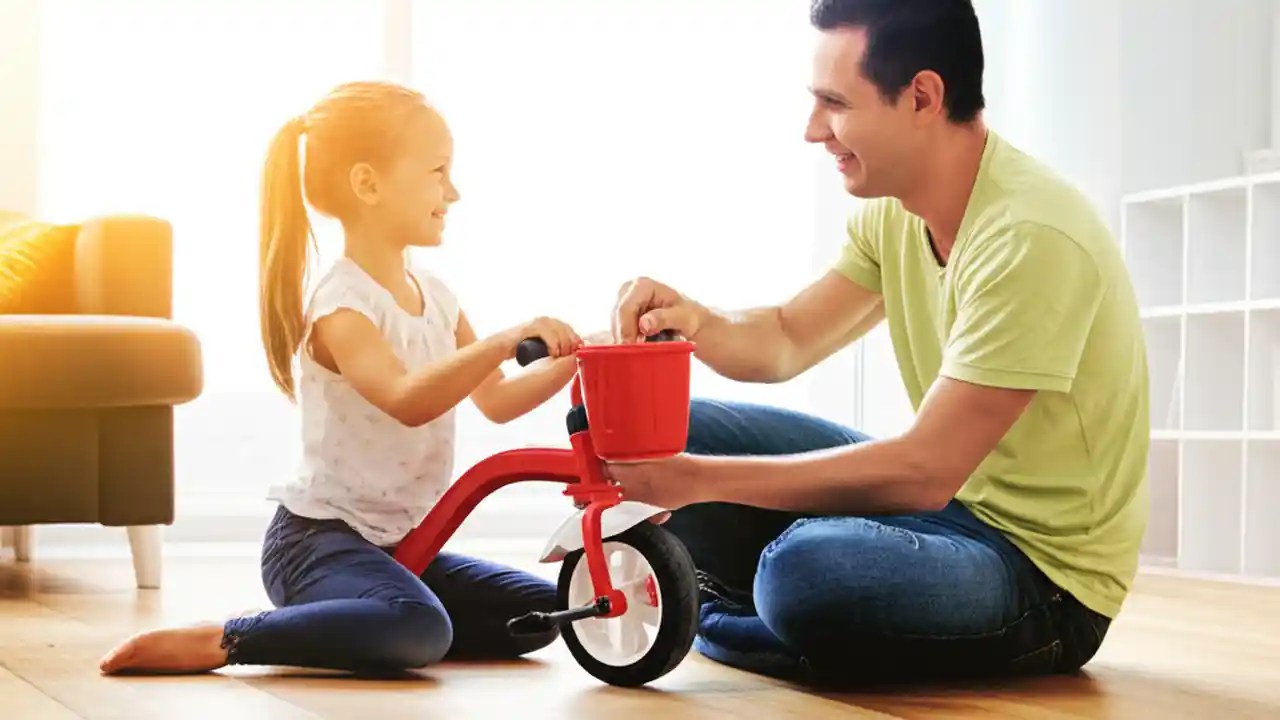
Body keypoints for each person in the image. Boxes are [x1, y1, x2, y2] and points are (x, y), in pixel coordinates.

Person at [606, 0, 1148, 686]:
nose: (812, 131)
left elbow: (925, 470)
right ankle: (786, 620)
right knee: (651, 433)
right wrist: (696, 319)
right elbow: (786, 337)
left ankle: (734, 617)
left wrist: (697, 481)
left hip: (1041, 579)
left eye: (834, 103)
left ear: (922, 96)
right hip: (942, 514)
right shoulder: (896, 214)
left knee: (803, 571)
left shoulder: (1030, 236)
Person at [98, 81, 597, 675]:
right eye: (438, 171)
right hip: (315, 544)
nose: (454, 192)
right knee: (421, 626)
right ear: (368, 184)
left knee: (548, 610)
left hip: (401, 545)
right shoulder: (342, 305)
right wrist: (500, 342)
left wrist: (583, 356)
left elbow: (496, 400)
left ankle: (380, 621)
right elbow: (406, 400)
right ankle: (229, 639)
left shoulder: (436, 297)